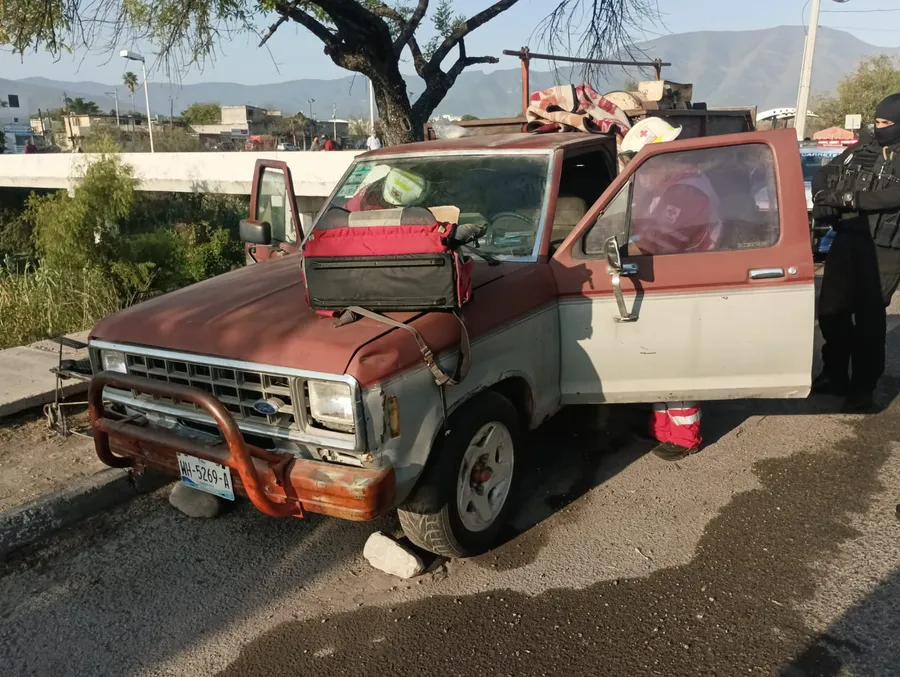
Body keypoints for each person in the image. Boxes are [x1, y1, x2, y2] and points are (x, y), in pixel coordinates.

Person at [619, 117, 720, 461]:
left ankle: (684, 434)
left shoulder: (686, 190)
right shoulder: (672, 186)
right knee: (661, 360)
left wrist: (606, 250)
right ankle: (662, 427)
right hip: (667, 278)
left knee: (675, 362)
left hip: (682, 281)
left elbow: (657, 240)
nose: (640, 173)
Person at [811, 93, 900, 413]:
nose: (879, 128)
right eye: (876, 122)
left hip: (886, 248)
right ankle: (834, 375)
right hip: (848, 237)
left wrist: (851, 200)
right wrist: (822, 194)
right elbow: (826, 171)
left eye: (886, 123)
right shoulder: (862, 148)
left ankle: (863, 389)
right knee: (832, 312)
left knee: (869, 321)